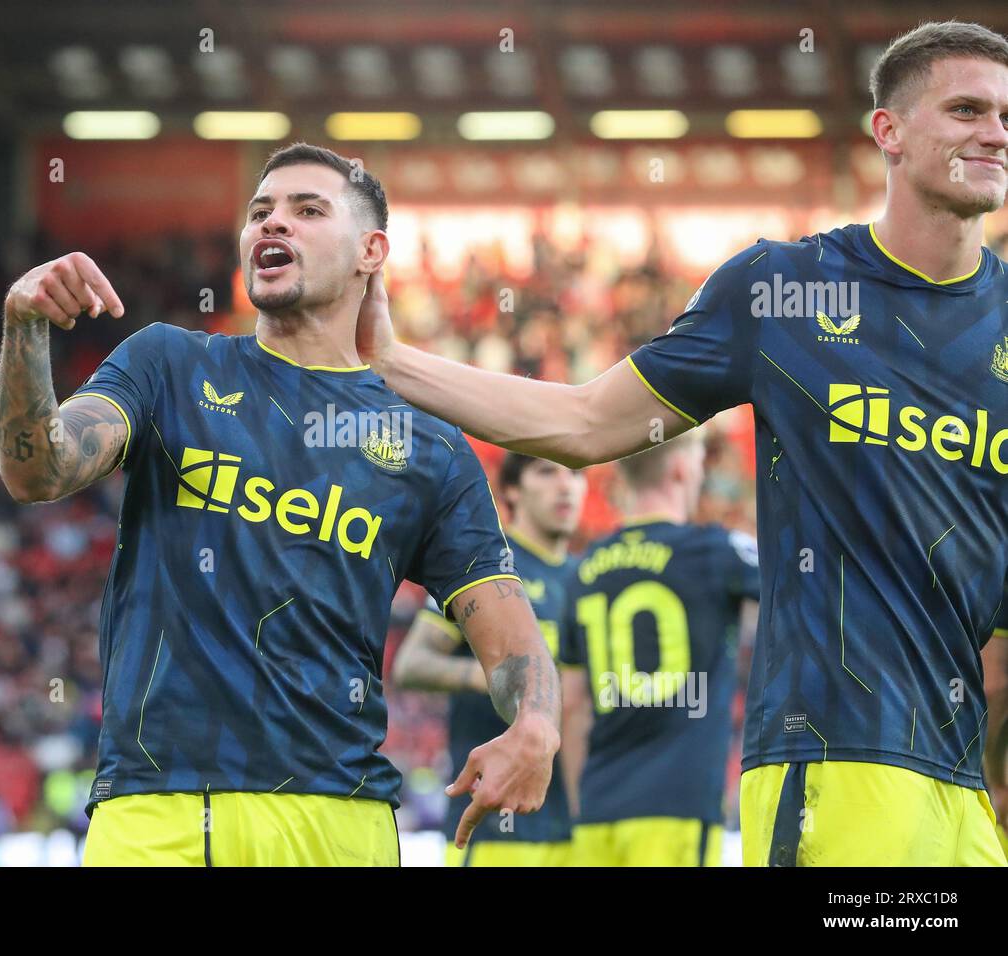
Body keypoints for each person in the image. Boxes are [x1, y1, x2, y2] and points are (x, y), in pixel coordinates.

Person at [354, 21, 1008, 865]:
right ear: (890, 131)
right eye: (965, 109)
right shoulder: (784, 290)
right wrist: (394, 362)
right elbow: (586, 423)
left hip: (968, 788)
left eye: (1003, 114)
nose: (994, 131)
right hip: (839, 762)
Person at [0, 143, 560, 865]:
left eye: (307, 210)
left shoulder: (428, 444)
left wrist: (537, 725)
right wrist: (25, 328)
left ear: (369, 251)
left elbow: (512, 641)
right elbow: (38, 471)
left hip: (338, 819)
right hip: (157, 810)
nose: (274, 223)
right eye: (260, 211)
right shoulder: (168, 363)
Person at [562, 432, 758, 866]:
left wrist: (583, 808)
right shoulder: (715, 551)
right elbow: (804, 587)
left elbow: (572, 706)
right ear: (681, 468)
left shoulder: (584, 570)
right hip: (677, 807)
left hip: (599, 810)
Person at [393, 452, 586, 865]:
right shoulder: (485, 566)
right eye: (547, 472)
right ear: (513, 490)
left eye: (576, 473)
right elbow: (411, 664)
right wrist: (508, 678)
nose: (566, 485)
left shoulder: (585, 577)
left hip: (575, 827)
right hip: (494, 826)